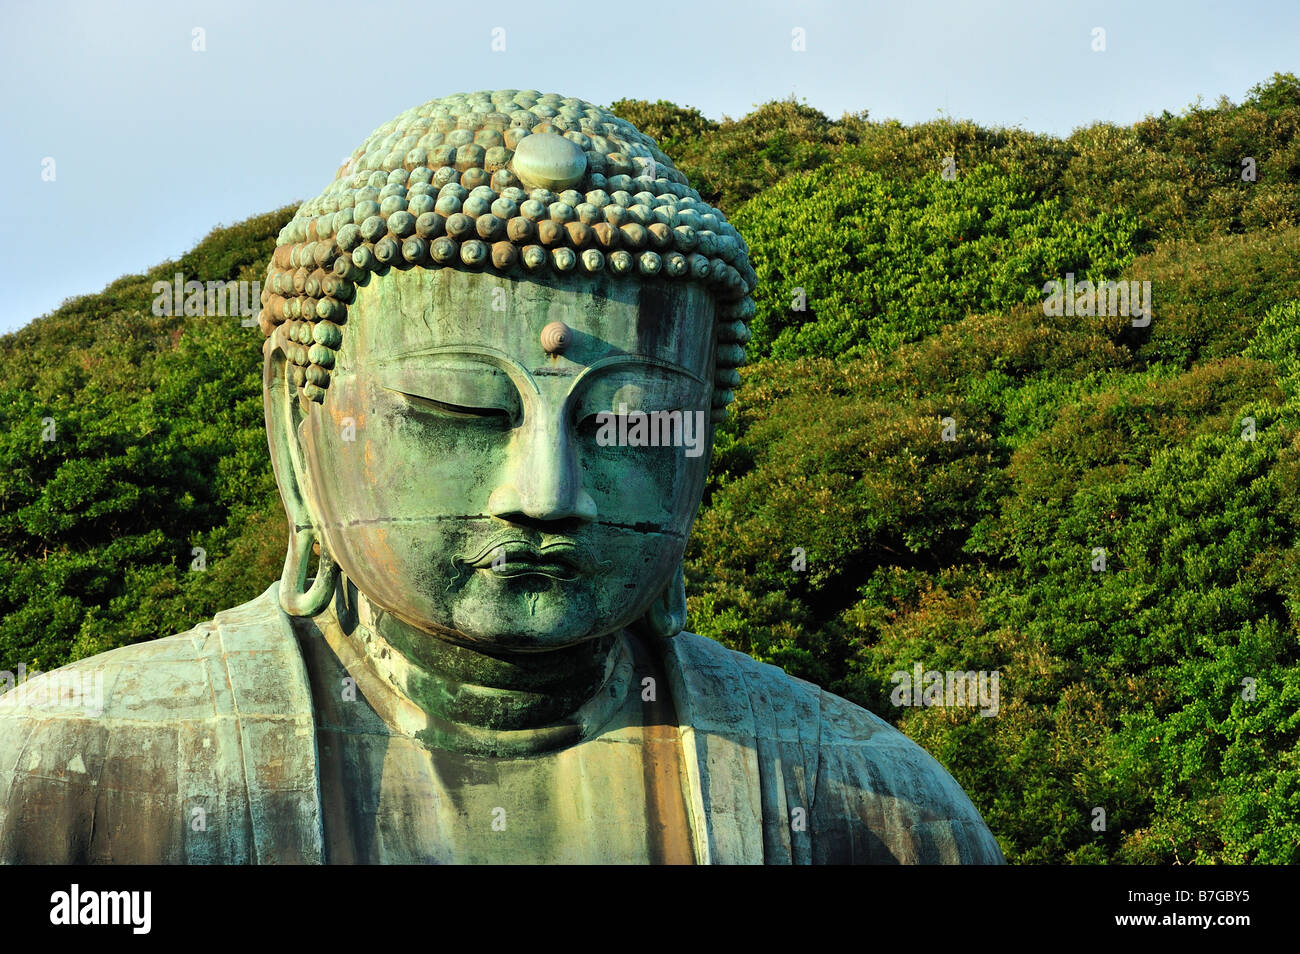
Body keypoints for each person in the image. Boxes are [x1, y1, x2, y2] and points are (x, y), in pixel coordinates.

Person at [0, 90, 1003, 864]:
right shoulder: (72, 784)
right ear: (294, 426)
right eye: (459, 413)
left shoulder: (869, 806)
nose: (545, 492)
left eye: (624, 422)